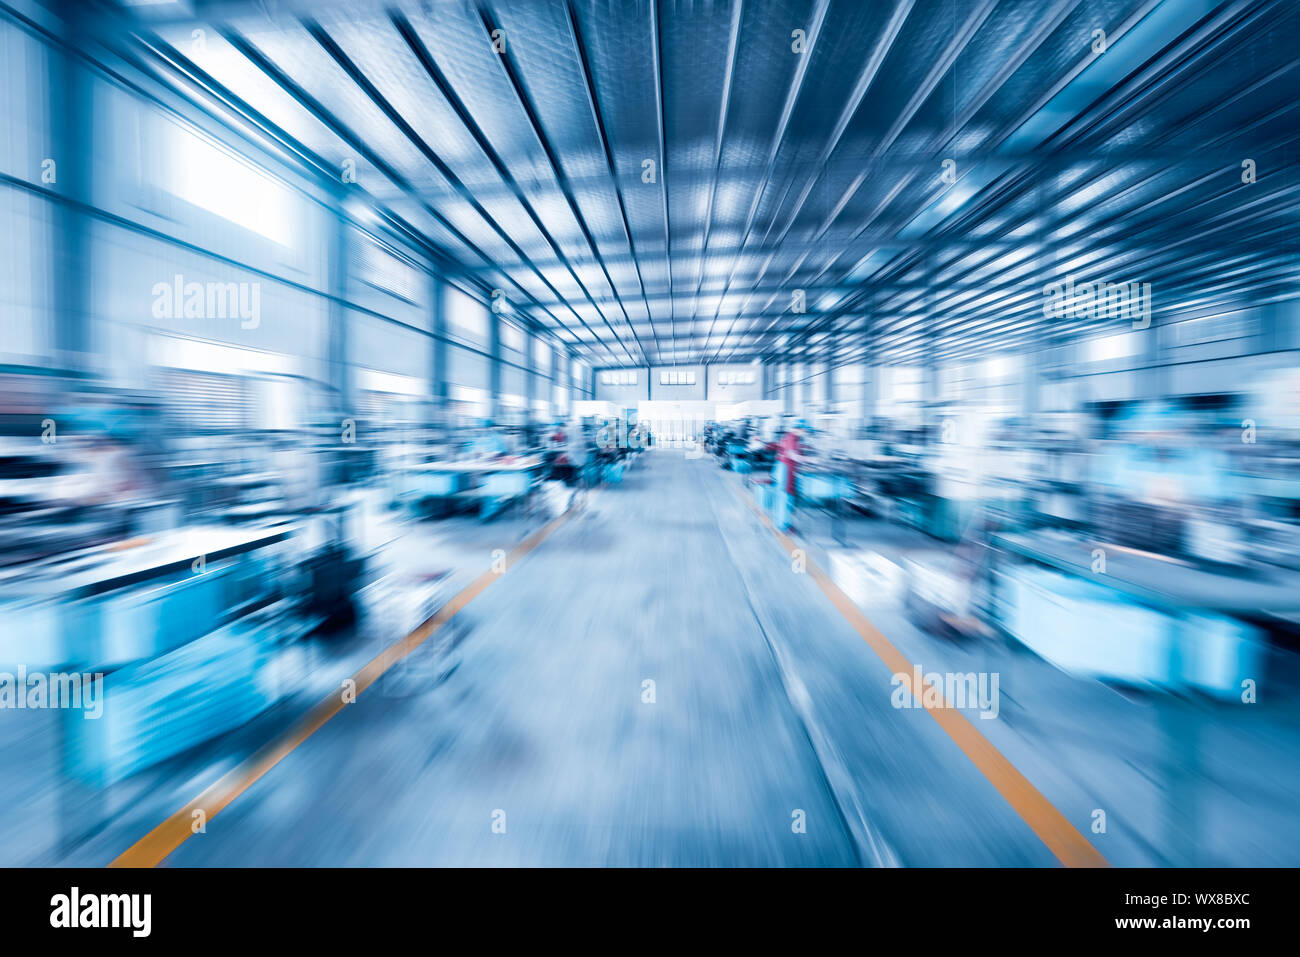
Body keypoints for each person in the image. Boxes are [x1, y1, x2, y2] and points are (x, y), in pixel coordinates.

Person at [774, 421, 808, 532]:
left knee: (786, 497)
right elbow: (792, 455)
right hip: (786, 469)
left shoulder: (791, 437)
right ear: (799, 429)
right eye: (804, 431)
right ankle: (783, 526)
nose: (805, 433)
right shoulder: (792, 437)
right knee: (784, 498)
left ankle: (785, 523)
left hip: (787, 468)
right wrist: (809, 460)